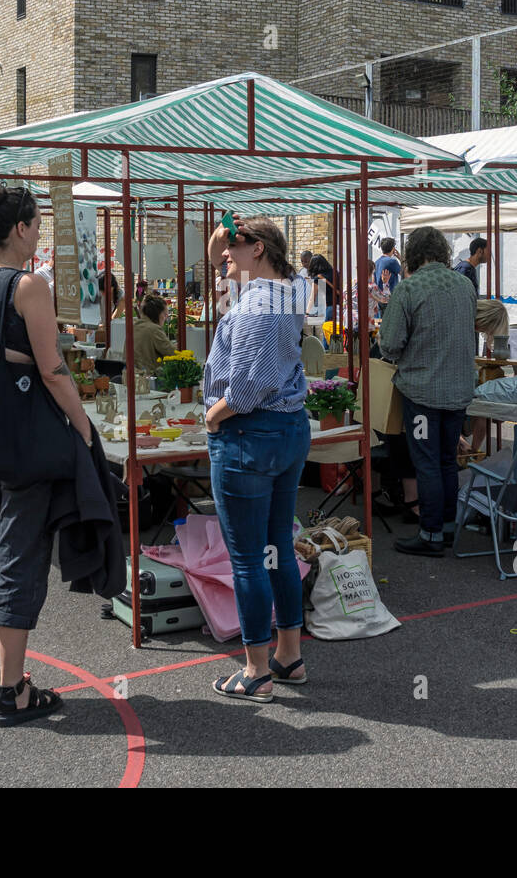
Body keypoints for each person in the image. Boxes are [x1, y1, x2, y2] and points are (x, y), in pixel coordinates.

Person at [0, 184, 94, 727]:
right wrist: (82, 427)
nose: (38, 234)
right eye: (36, 225)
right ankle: (13, 689)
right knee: (20, 550)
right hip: (18, 433)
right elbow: (53, 369)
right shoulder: (28, 285)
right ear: (20, 229)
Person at [205, 214, 310, 702]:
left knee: (247, 559)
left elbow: (248, 385)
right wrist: (228, 232)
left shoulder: (258, 305)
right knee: (277, 549)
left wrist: (214, 416)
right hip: (287, 429)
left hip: (249, 431)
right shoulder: (291, 287)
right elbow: (218, 258)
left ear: (260, 251)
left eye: (235, 246)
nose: (225, 254)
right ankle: (288, 657)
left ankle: (256, 671)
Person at [380, 226, 477, 557]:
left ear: (413, 254)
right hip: (460, 389)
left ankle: (431, 534)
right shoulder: (464, 285)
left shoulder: (409, 288)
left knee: (427, 462)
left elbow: (390, 345)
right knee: (448, 460)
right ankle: (448, 528)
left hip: (422, 391)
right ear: (442, 252)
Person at [134, 294, 175, 374]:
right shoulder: (154, 329)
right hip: (148, 378)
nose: (166, 318)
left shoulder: (135, 326)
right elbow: (172, 352)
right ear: (158, 314)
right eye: (165, 314)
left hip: (131, 376)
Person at [307, 254, 337, 321]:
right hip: (340, 307)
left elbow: (312, 297)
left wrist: (307, 312)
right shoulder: (335, 272)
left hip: (329, 308)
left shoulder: (318, 278)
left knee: (328, 330)